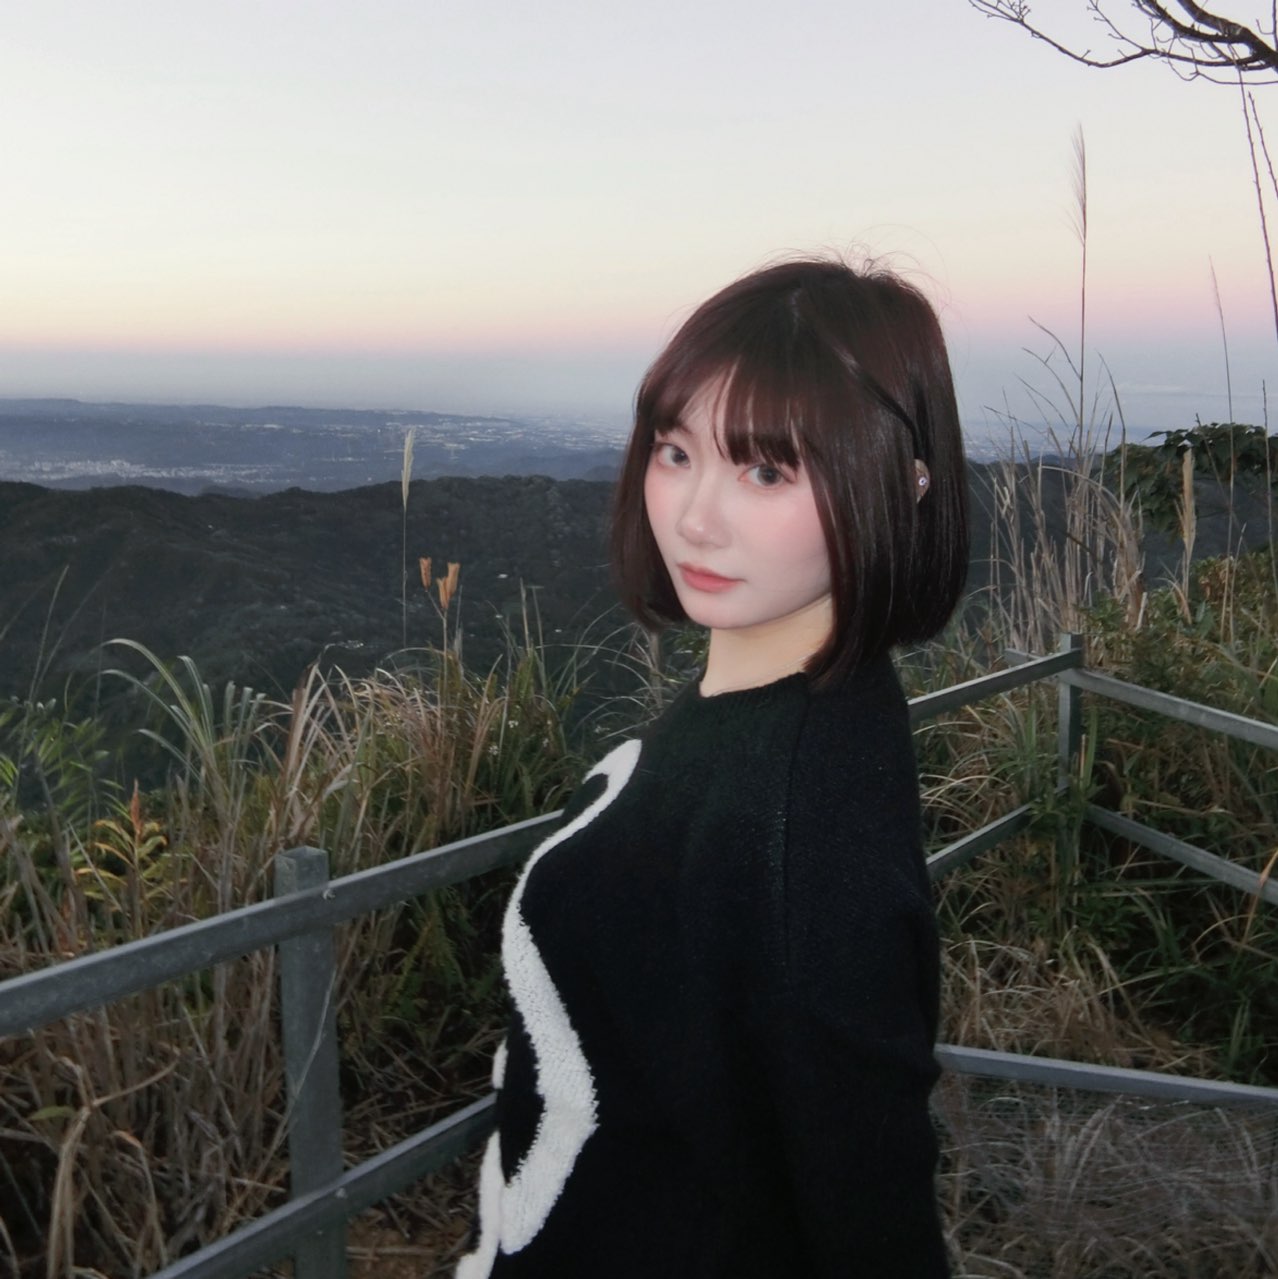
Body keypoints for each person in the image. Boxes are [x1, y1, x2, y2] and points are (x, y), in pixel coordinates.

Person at [455, 256, 969, 1277]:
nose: (694, 516)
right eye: (676, 451)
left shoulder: (805, 828)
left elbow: (873, 1215)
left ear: (904, 484)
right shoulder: (792, 712)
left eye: (766, 470)